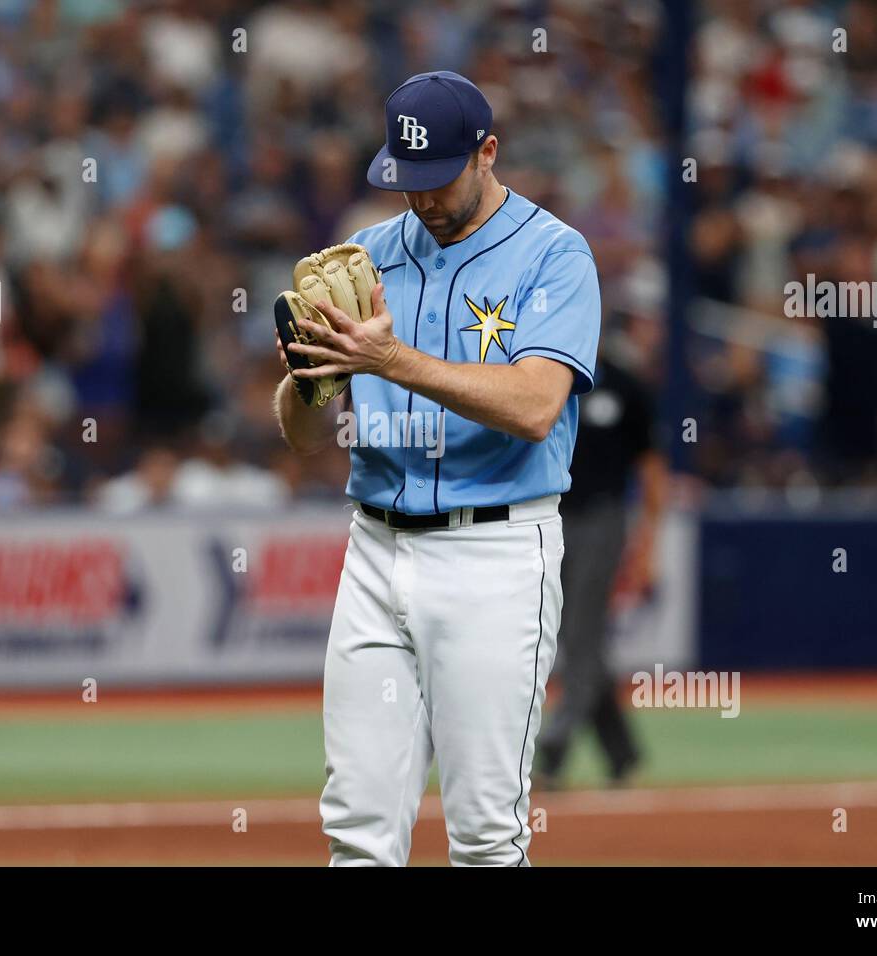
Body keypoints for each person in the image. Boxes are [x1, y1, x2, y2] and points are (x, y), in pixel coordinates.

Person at [272, 71, 600, 866]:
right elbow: (303, 437)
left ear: (488, 152)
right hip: (376, 548)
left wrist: (389, 357)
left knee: (486, 835)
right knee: (357, 829)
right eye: (405, 179)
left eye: (438, 177)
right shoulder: (366, 258)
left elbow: (533, 406)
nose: (420, 197)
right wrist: (310, 380)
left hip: (494, 556)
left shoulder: (554, 255)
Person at [534, 311, 666, 788]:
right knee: (577, 640)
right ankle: (622, 753)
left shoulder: (626, 387)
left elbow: (652, 472)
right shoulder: (546, 376)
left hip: (603, 521)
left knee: (581, 634)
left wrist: (650, 544)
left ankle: (553, 747)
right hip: (549, 517)